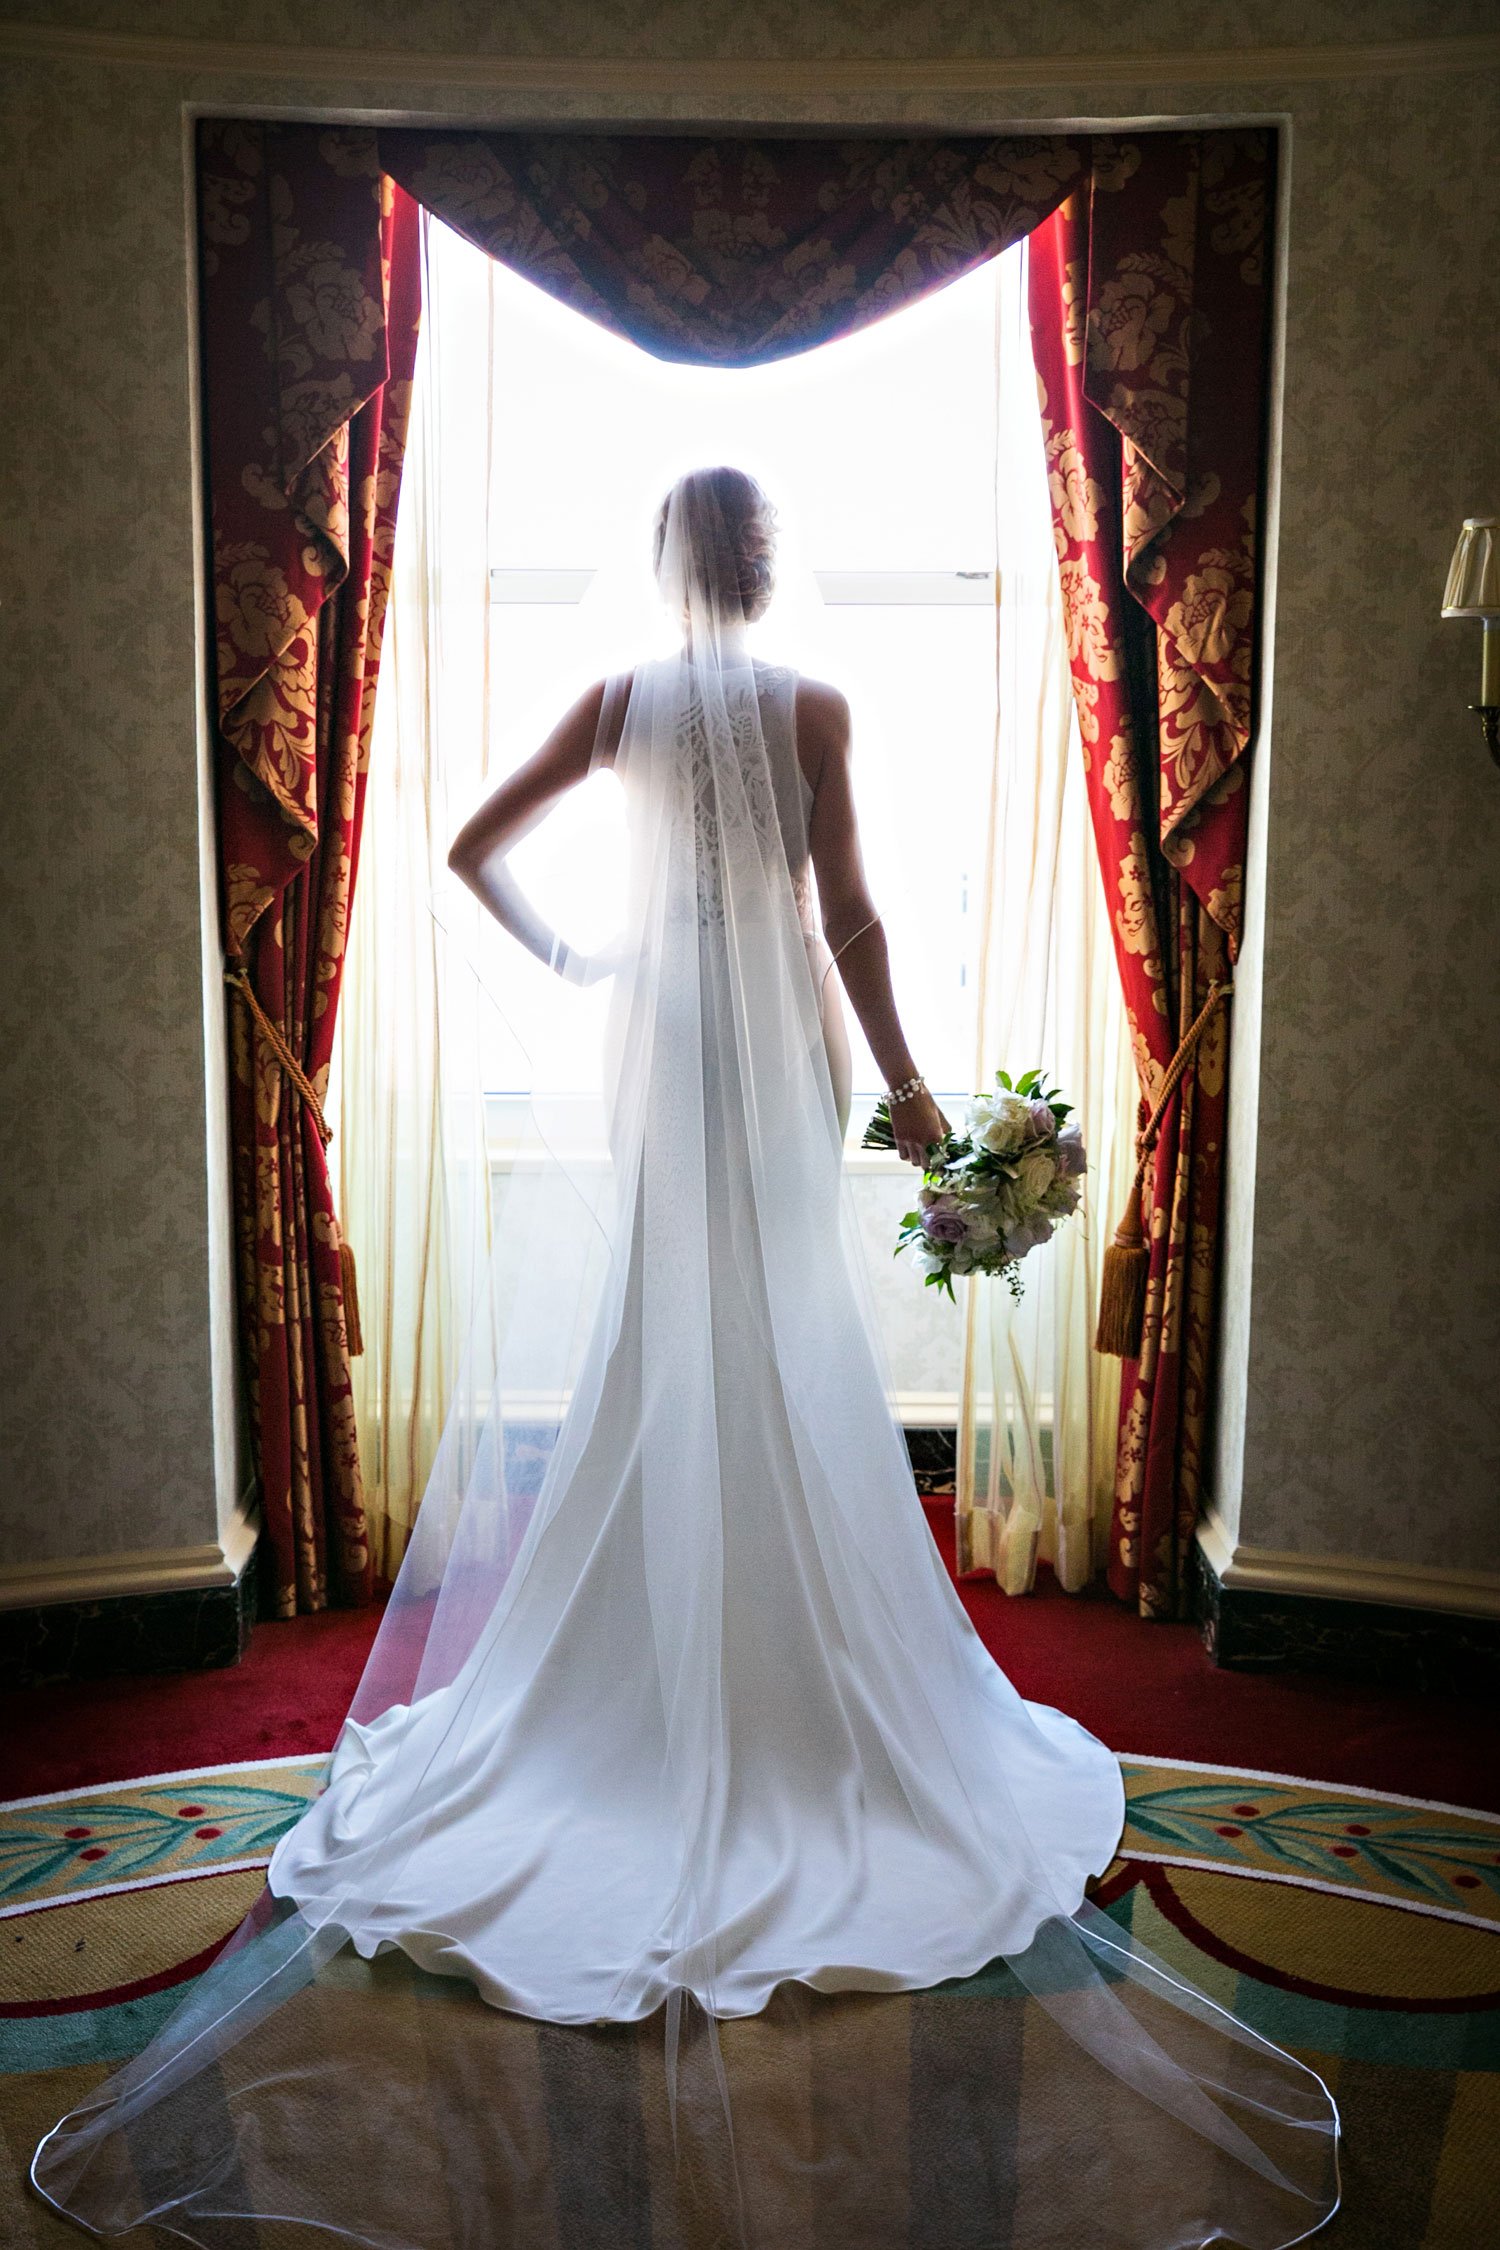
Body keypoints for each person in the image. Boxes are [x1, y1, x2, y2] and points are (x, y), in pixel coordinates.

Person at [32, 467, 1339, 2248]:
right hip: (779, 1055)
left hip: (666, 1043)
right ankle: (795, 1668)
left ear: (666, 568)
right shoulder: (814, 706)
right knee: (786, 1341)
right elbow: (850, 919)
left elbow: (472, 849)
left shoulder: (620, 700)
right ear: (766, 567)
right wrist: (910, 1088)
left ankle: (626, 1675)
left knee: (661, 1333)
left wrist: (591, 955)